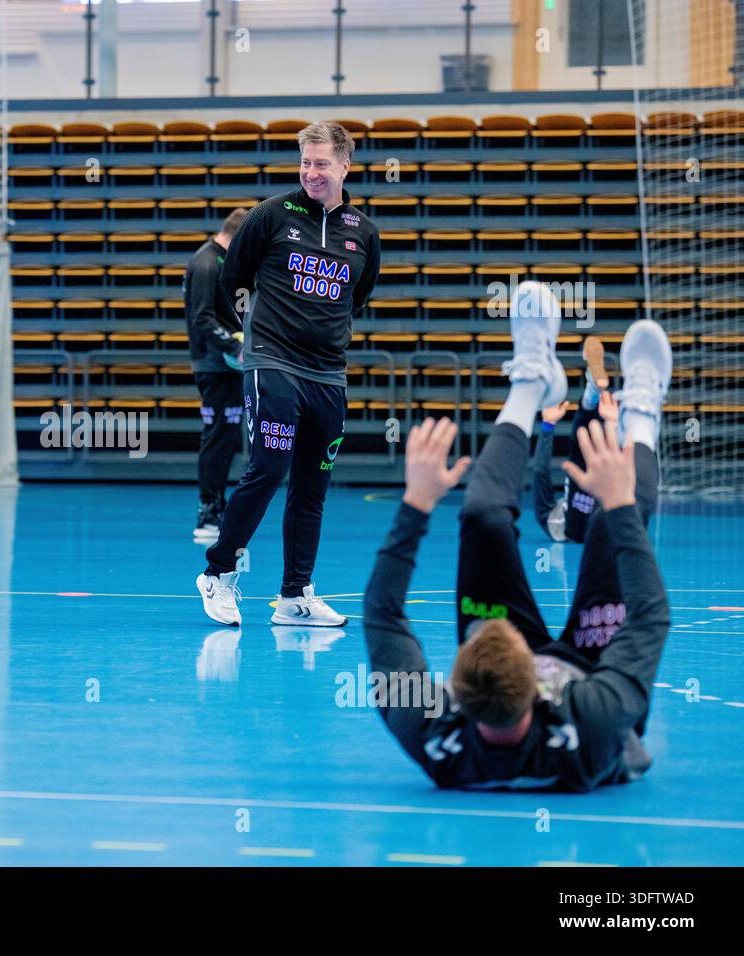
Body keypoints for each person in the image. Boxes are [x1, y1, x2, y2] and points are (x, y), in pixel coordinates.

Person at [361, 288, 673, 791]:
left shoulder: (431, 729)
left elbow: (381, 615)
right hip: (594, 674)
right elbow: (650, 616)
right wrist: (616, 506)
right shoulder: (596, 718)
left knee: (483, 516)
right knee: (610, 525)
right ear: (537, 683)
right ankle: (642, 414)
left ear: (454, 694)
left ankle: (531, 387)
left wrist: (416, 504)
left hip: (524, 696)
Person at [196, 121, 381, 626]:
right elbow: (232, 278)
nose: (312, 172)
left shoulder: (363, 232)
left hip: (328, 375)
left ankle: (295, 596)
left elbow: (355, 296)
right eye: (305, 163)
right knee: (269, 467)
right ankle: (217, 573)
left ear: (345, 165)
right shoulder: (272, 215)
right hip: (273, 363)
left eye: (322, 163)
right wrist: (257, 339)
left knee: (312, 486)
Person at [532, 335, 636, 544]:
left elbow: (540, 474)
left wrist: (547, 426)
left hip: (598, 517)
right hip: (598, 504)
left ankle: (594, 397)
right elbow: (540, 474)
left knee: (598, 449)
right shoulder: (554, 523)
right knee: (583, 443)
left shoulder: (557, 526)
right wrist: (547, 427)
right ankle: (591, 395)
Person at [185, 207, 249, 542]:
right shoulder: (207, 263)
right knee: (216, 436)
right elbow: (202, 319)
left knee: (226, 437)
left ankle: (217, 507)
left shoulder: (220, 260)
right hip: (214, 364)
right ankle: (207, 512)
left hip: (225, 365)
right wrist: (234, 346)